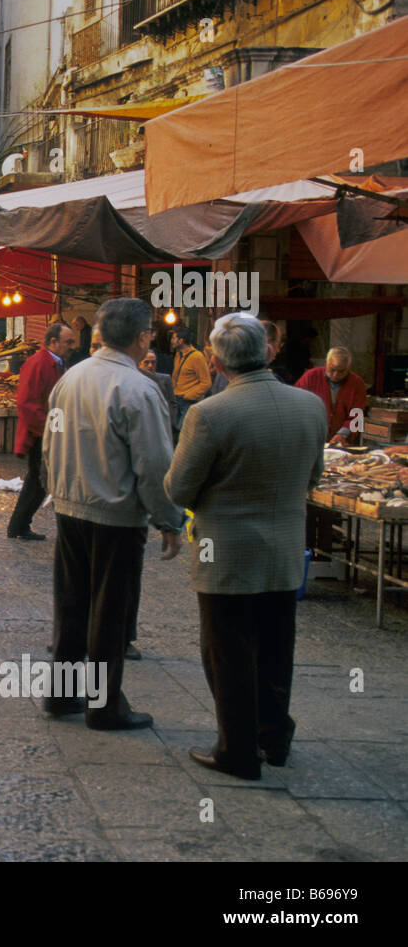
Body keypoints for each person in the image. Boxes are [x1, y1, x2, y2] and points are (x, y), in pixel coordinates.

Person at [165, 313, 327, 780]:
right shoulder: (310, 405)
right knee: (277, 646)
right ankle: (274, 737)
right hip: (282, 549)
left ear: (215, 361)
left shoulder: (209, 414)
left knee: (228, 651)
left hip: (228, 553)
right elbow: (313, 477)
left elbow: (178, 489)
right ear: (267, 350)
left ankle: (236, 749)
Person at [41, 298, 183, 729]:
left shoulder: (71, 378)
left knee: (72, 602)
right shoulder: (140, 388)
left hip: (70, 506)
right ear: (142, 338)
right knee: (109, 610)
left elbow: (49, 444)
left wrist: (56, 489)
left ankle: (63, 695)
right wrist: (169, 518)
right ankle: (104, 706)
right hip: (115, 515)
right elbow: (156, 464)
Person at [8, 321, 75, 541]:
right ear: (53, 342)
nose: (72, 346)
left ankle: (19, 525)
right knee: (38, 482)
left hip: (47, 432)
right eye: (68, 342)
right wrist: (49, 431)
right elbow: (28, 403)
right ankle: (18, 526)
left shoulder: (57, 363)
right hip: (41, 435)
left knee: (38, 482)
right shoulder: (39, 363)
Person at [295, 347, 368, 445]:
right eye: (332, 370)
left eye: (341, 371)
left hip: (342, 443)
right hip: (310, 437)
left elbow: (358, 417)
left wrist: (343, 434)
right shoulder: (310, 377)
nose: (335, 375)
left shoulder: (357, 383)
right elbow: (295, 405)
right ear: (326, 363)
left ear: (348, 367)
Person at [171, 325, 211, 430]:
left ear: (181, 340)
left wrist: (189, 395)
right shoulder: (178, 355)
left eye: (174, 338)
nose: (172, 341)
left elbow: (206, 383)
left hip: (187, 401)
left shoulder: (197, 356)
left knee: (182, 431)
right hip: (177, 400)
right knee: (174, 431)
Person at [139, 349, 178, 445]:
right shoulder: (135, 381)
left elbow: (172, 402)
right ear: (140, 363)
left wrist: (171, 422)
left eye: (153, 362)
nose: (150, 366)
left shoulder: (165, 379)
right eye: (146, 363)